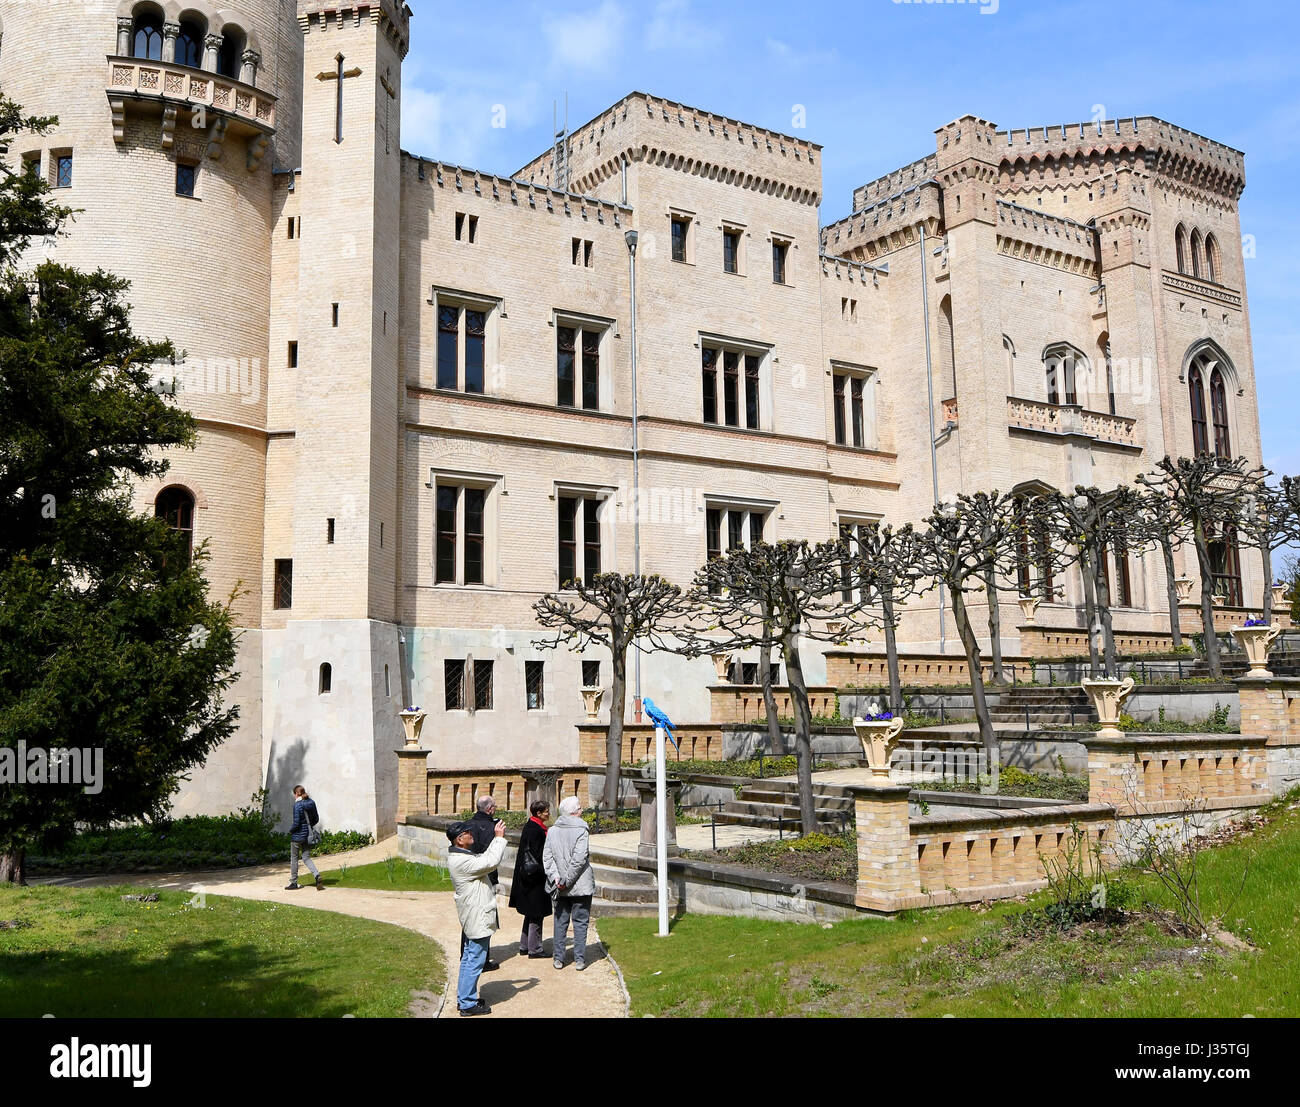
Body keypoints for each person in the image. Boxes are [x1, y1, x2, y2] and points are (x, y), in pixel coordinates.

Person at [447, 816, 506, 1016]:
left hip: (473, 914)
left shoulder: (463, 856)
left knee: (469, 957)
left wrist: (495, 840)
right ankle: (467, 1004)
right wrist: (498, 838)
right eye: (466, 833)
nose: (470, 834)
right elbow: (490, 861)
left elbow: (484, 859)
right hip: (476, 915)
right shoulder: (462, 861)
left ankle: (465, 998)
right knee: (474, 959)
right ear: (458, 840)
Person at [542, 795, 595, 970]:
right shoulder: (581, 830)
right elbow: (579, 860)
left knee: (560, 921)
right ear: (574, 812)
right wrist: (565, 881)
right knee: (580, 922)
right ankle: (579, 959)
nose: (582, 811)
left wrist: (557, 879)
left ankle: (559, 958)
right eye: (580, 808)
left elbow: (547, 858)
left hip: (559, 885)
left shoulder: (553, 830)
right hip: (579, 884)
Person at [508, 799, 552, 958]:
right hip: (535, 878)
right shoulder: (535, 830)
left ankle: (525, 945)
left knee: (530, 912)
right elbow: (537, 855)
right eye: (546, 811)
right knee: (536, 913)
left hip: (528, 877)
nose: (548, 813)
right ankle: (535, 949)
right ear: (538, 813)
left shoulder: (531, 826)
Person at [462, 793, 501, 970]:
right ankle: (481, 961)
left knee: (469, 917)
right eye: (494, 807)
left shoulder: (467, 826)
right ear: (490, 809)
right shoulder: (490, 827)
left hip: (467, 876)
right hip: (485, 877)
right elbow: (492, 857)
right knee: (485, 918)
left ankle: (466, 955)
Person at [285, 785, 323, 891]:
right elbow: (316, 819)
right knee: (306, 858)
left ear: (296, 794)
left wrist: (290, 830)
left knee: (294, 859)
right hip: (308, 835)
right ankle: (317, 875)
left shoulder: (297, 805)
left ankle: (293, 882)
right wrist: (308, 826)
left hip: (297, 836)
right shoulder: (311, 802)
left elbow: (296, 823)